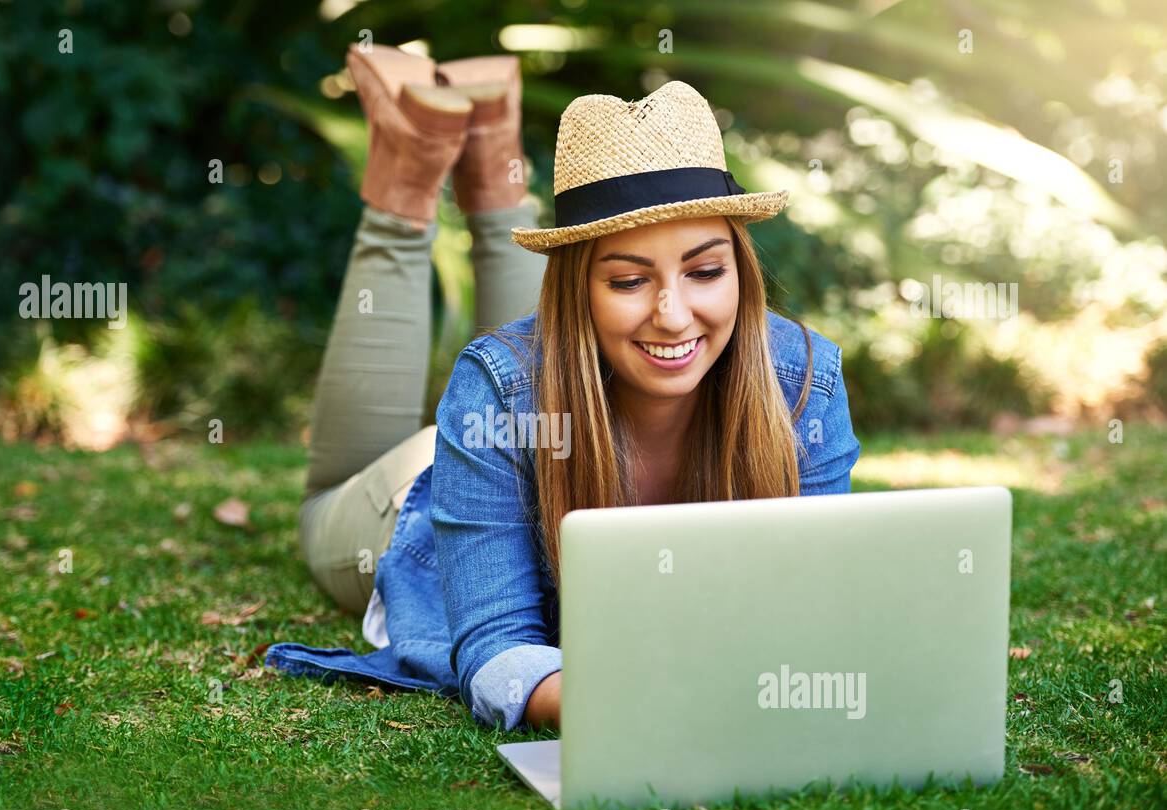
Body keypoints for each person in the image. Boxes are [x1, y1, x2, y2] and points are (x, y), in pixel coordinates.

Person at [266, 45, 862, 733]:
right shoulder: (495, 385)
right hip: (420, 498)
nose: (673, 314)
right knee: (323, 507)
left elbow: (817, 613)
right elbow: (494, 646)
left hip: (521, 419)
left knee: (541, 368)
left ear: (740, 268)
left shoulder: (803, 381)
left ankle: (492, 153)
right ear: (579, 290)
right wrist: (628, 699)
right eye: (628, 280)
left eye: (704, 271)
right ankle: (406, 180)